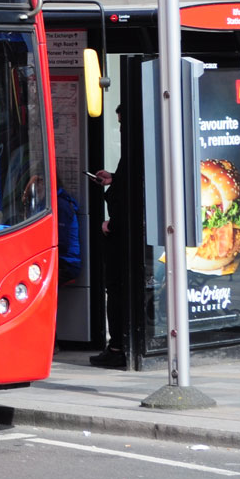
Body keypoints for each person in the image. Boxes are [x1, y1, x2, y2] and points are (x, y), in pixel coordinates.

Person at [91, 104, 132, 367]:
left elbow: (130, 196)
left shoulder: (132, 150)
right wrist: (113, 179)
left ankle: (117, 347)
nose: (119, 128)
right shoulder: (140, 147)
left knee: (115, 290)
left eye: (121, 123)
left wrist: (111, 225)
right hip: (128, 234)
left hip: (121, 237)